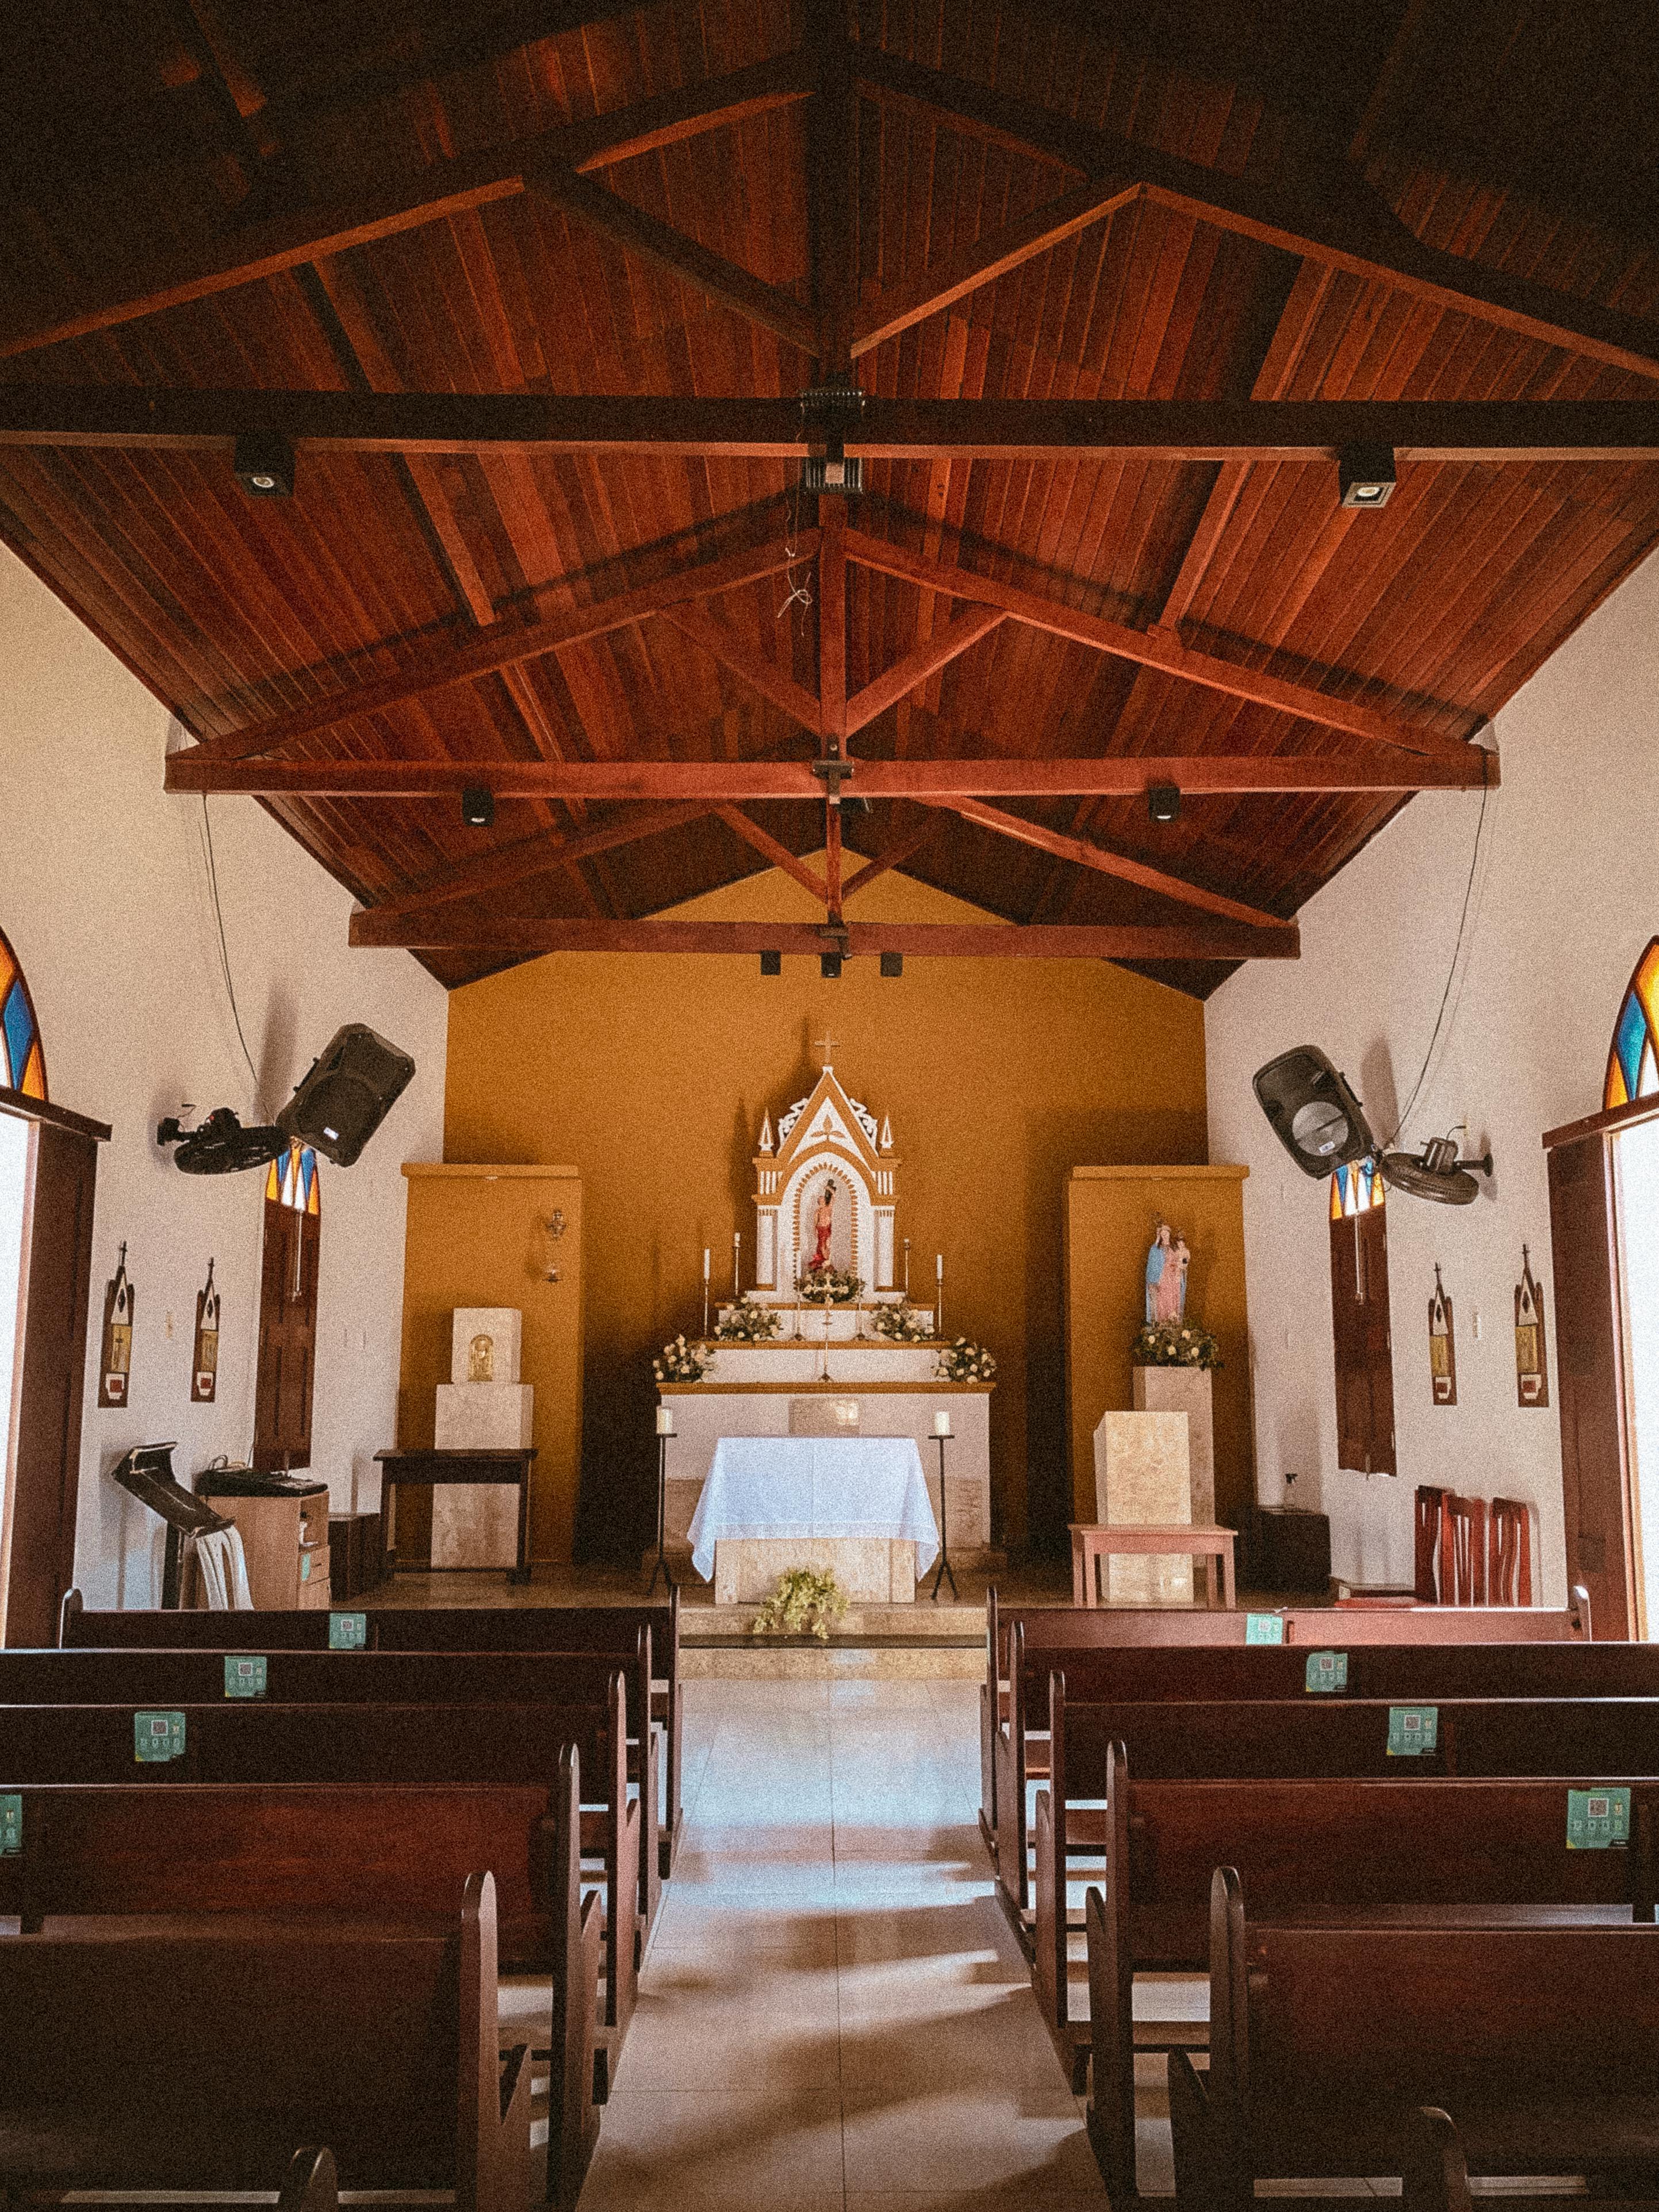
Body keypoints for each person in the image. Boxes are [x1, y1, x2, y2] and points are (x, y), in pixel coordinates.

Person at [811, 1180, 836, 1271]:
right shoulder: (818, 1211)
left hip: (827, 1229)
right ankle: (823, 1262)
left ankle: (827, 1262)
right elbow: (815, 1223)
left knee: (828, 1245)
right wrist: (815, 1230)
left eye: (823, 1200)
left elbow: (834, 1197)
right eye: (820, 1200)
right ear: (819, 1202)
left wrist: (830, 1189)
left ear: (825, 1201)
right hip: (821, 1229)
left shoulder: (829, 1208)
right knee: (821, 1246)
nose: (822, 1201)